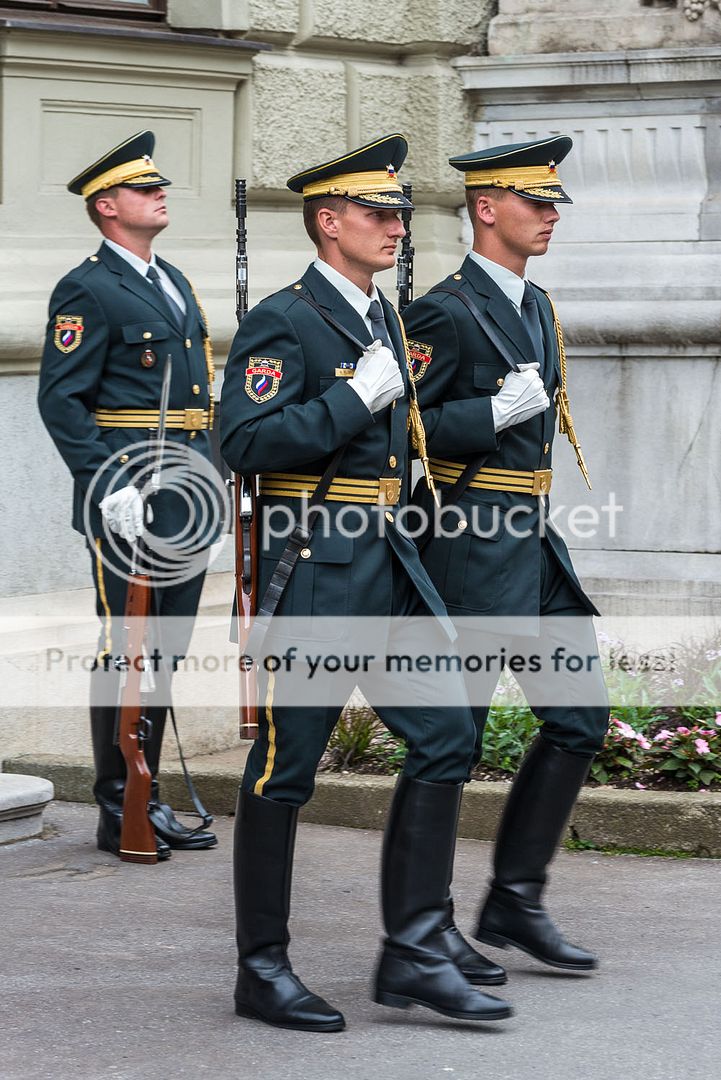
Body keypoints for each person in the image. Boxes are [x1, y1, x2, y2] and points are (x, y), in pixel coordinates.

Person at [220, 134, 512, 1031]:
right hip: (314, 573)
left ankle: (415, 948)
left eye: (397, 213)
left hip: (387, 563)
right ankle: (261, 968)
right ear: (327, 221)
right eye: (377, 213)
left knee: (447, 735)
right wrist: (349, 402)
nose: (394, 227)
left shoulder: (384, 315)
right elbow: (240, 443)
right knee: (284, 772)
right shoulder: (285, 318)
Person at [403, 137, 610, 973]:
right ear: (486, 208)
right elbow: (401, 429)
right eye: (535, 200)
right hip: (465, 544)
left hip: (531, 541)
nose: (550, 214)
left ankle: (515, 899)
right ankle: (426, 924)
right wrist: (486, 414)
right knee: (453, 740)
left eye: (554, 201)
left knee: (579, 718)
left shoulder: (536, 304)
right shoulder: (443, 310)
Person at [38, 130, 218, 859]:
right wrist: (107, 484)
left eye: (158, 186)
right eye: (145, 189)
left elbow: (195, 397)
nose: (160, 194)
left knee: (164, 650)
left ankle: (145, 798)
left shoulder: (170, 277)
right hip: (129, 494)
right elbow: (61, 402)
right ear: (107, 206)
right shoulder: (86, 288)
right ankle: (120, 803)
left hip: (184, 493)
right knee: (126, 648)